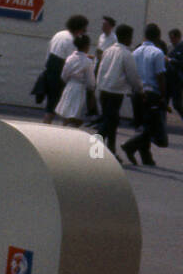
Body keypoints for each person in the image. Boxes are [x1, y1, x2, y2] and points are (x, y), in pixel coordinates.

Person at [121, 23, 167, 167]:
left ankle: (146, 157)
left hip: (137, 92)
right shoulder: (157, 53)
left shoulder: (135, 52)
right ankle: (129, 146)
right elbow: (160, 76)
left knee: (141, 125)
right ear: (158, 37)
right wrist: (163, 95)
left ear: (144, 35)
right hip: (151, 92)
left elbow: (130, 73)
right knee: (151, 127)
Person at [95, 23, 143, 158]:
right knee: (108, 122)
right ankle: (93, 150)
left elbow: (100, 69)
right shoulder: (127, 54)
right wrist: (139, 89)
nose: (132, 40)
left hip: (103, 90)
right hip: (115, 93)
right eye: (131, 37)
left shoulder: (108, 51)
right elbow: (133, 76)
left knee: (111, 121)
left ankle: (111, 150)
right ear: (127, 37)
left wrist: (98, 85)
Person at [41, 14, 88, 123]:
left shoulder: (59, 34)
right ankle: (61, 127)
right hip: (60, 71)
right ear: (79, 28)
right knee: (63, 104)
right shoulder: (71, 40)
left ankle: (46, 125)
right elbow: (72, 60)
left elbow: (49, 51)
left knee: (51, 104)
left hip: (49, 68)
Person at [54, 34, 96, 127]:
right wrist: (92, 89)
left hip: (69, 87)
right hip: (80, 90)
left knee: (66, 115)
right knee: (77, 117)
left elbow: (64, 76)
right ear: (86, 46)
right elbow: (90, 82)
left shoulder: (70, 58)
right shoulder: (88, 62)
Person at [166, 28, 183, 133]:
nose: (172, 40)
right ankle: (161, 124)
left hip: (178, 80)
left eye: (173, 38)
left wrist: (169, 60)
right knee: (164, 102)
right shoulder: (169, 48)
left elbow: (182, 63)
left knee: (177, 104)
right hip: (168, 79)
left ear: (178, 37)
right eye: (170, 38)